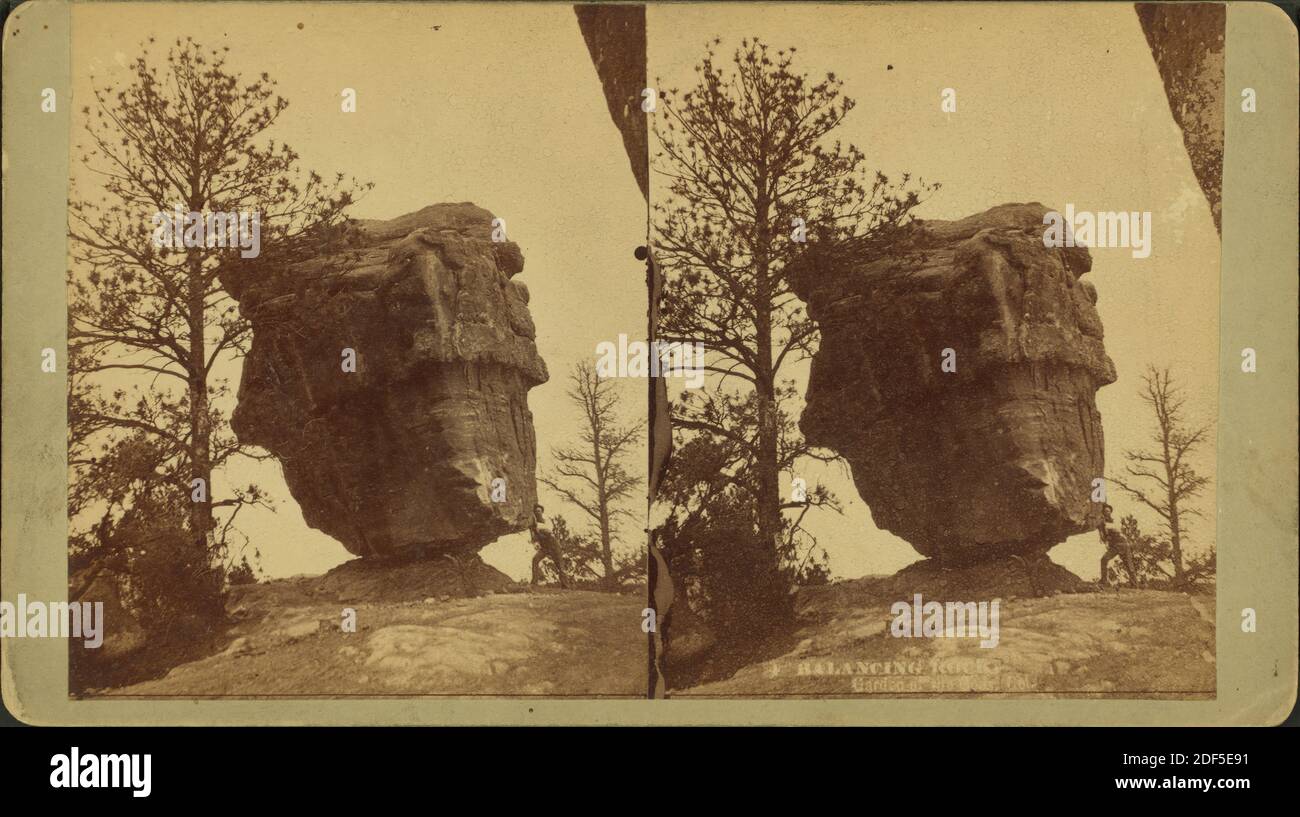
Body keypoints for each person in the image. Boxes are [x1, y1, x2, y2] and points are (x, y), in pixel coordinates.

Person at [1098, 503, 1138, 588]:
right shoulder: (1103, 523)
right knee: (1105, 560)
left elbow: (1114, 531)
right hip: (1118, 544)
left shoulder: (1111, 522)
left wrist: (1105, 532)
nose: (1107, 513)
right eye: (1105, 511)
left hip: (1120, 544)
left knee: (1127, 564)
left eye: (1108, 511)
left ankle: (1135, 584)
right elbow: (1103, 536)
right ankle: (1104, 581)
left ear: (1110, 512)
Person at [530, 503, 569, 589]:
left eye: (539, 511)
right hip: (544, 546)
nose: (538, 513)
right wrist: (536, 531)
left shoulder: (546, 520)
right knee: (535, 560)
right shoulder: (534, 525)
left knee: (560, 565)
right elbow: (533, 537)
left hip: (553, 544)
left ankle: (565, 586)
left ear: (542, 512)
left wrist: (537, 530)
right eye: (536, 512)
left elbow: (548, 531)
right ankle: (534, 582)